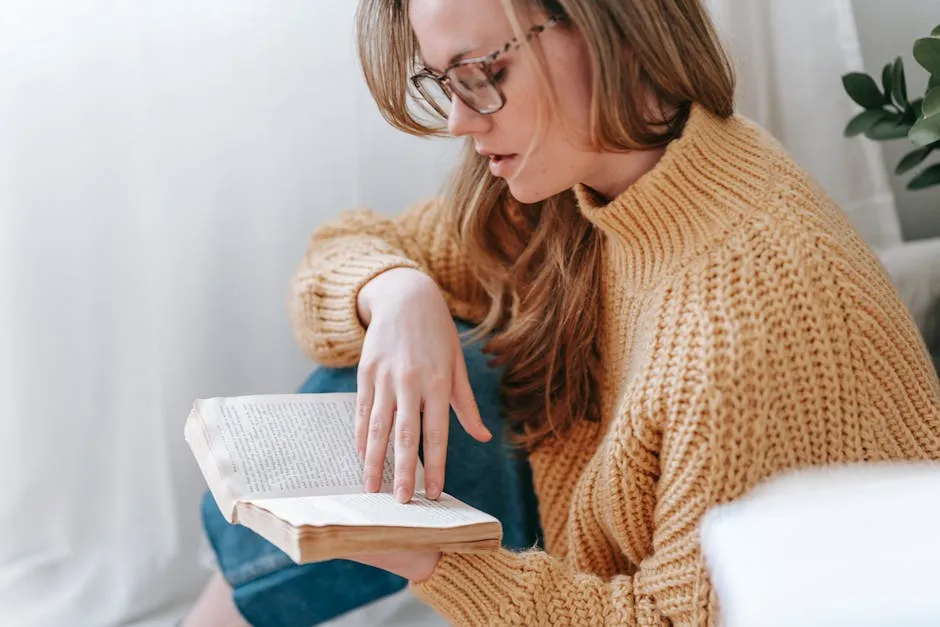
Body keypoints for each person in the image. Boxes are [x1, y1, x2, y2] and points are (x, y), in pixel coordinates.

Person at [185, 0, 940, 625]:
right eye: (441, 81)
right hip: (581, 524)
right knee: (404, 359)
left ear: (605, 25)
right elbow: (343, 248)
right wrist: (395, 291)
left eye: (482, 74)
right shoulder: (586, 188)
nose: (457, 119)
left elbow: (676, 619)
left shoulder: (736, 323)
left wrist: (436, 560)